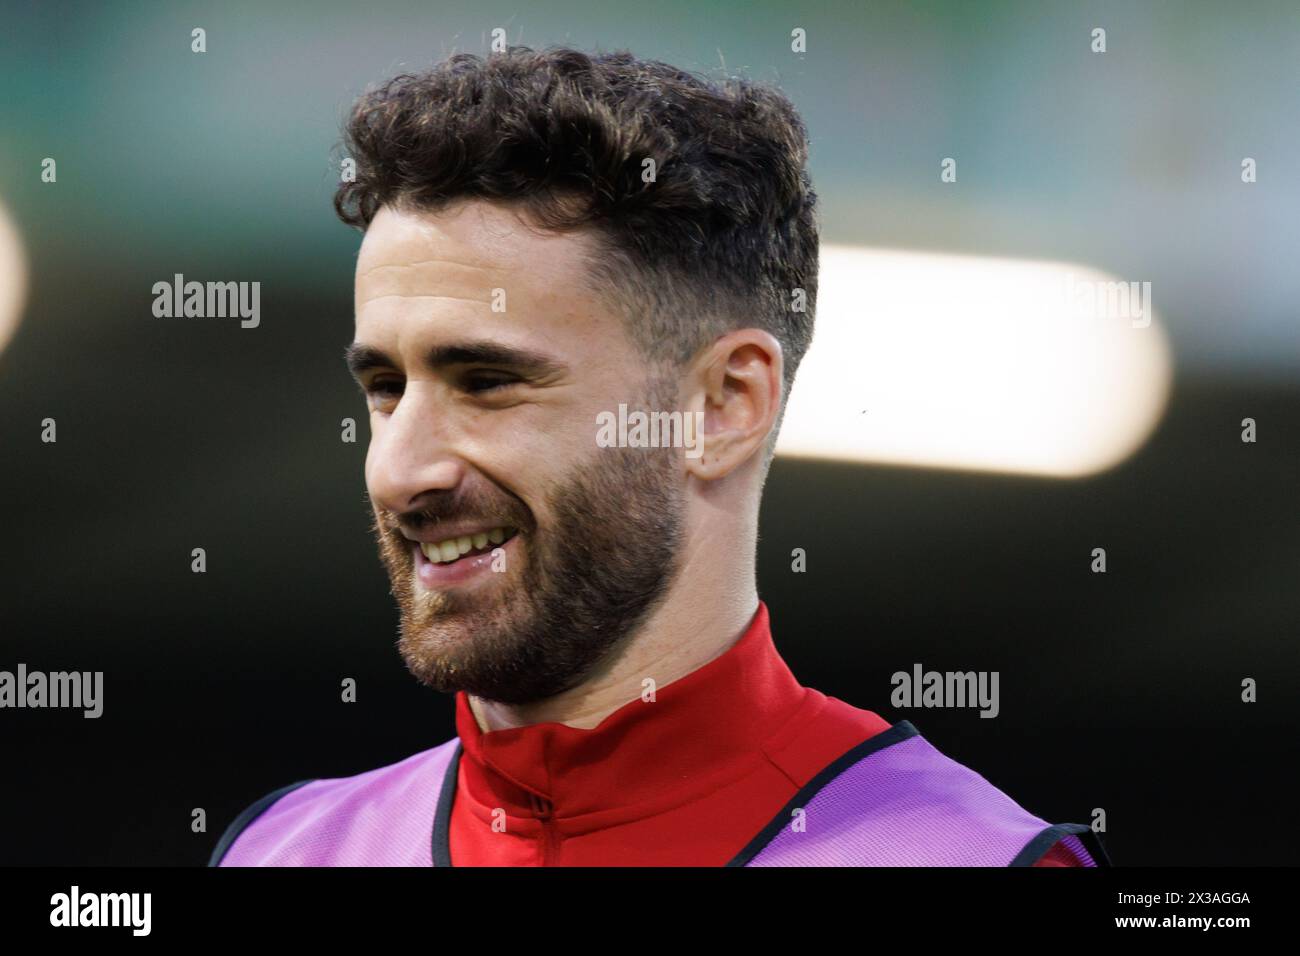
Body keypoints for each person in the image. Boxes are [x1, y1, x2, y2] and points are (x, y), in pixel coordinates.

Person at [210, 46, 1107, 867]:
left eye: (487, 382)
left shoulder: (969, 860)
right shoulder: (281, 853)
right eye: (385, 388)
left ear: (722, 407)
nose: (400, 472)